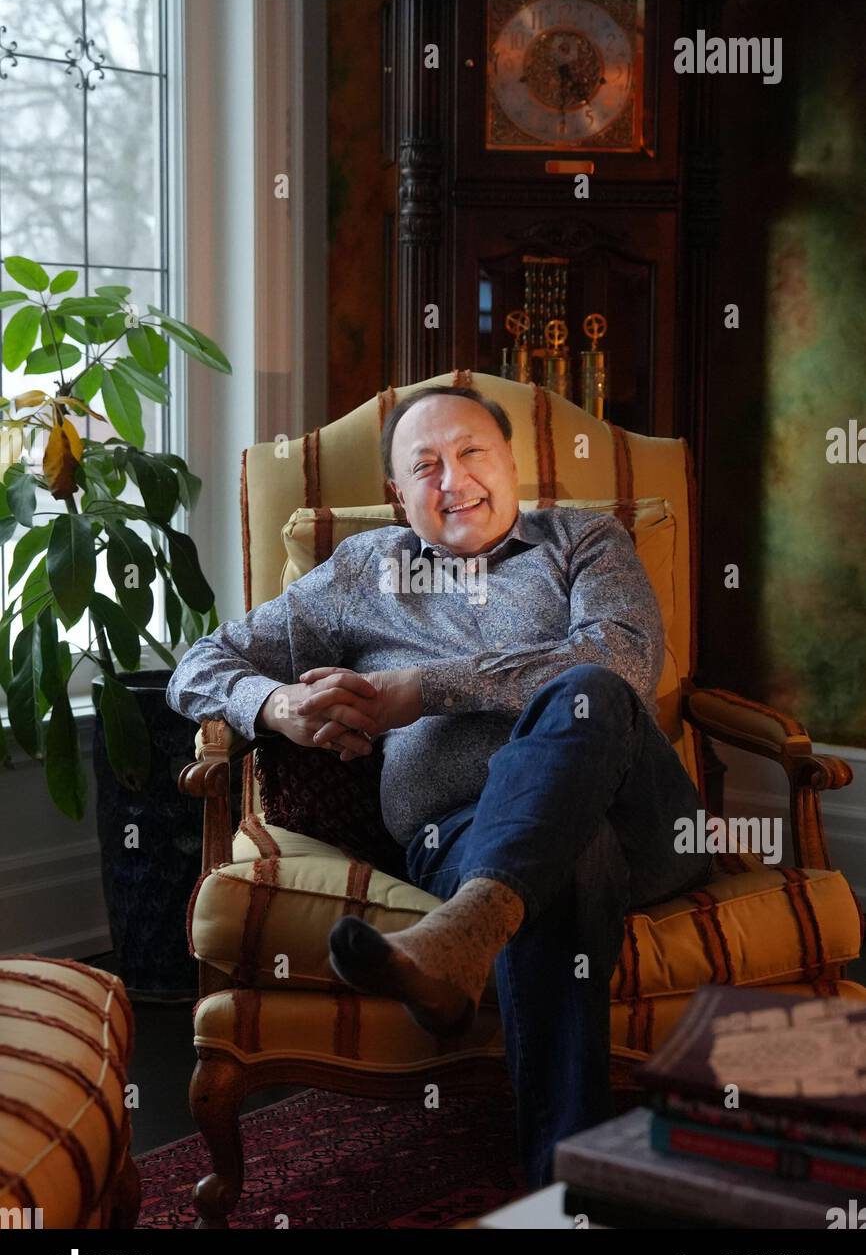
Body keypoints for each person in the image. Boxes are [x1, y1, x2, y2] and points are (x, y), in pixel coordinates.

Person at [166, 386, 711, 1187]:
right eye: (424, 466)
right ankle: (572, 1195)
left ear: (511, 461)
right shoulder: (362, 571)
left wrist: (422, 690)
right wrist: (275, 704)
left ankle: (463, 935)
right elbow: (196, 666)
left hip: (641, 818)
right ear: (396, 494)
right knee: (568, 854)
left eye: (471, 452)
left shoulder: (585, 539)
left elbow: (621, 663)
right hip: (458, 835)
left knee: (587, 690)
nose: (452, 480)